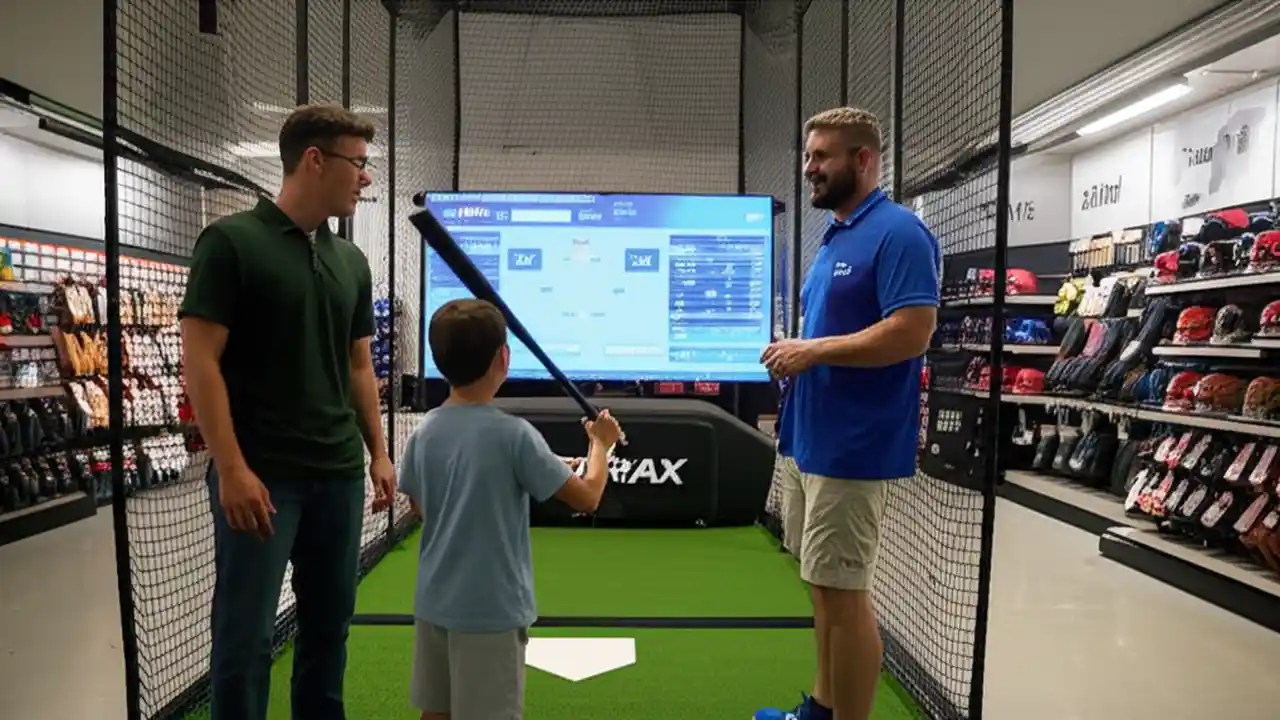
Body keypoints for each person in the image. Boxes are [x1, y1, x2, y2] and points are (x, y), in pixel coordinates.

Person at [179, 103, 398, 720]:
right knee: (245, 637)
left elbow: (359, 366)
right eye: (357, 164)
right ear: (313, 160)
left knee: (330, 628)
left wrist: (378, 453)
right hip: (261, 475)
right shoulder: (230, 244)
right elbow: (200, 363)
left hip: (336, 474)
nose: (365, 178)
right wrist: (233, 468)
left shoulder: (350, 262)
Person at [754, 107, 940, 720]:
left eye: (822, 157)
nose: (809, 169)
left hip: (853, 447)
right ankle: (822, 708)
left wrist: (812, 349)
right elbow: (833, 334)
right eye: (808, 156)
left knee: (846, 592)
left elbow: (912, 332)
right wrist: (797, 350)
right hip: (811, 441)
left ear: (863, 160)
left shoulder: (899, 232)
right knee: (824, 590)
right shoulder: (837, 233)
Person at [396, 298, 623, 720]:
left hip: (434, 603)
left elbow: (421, 505)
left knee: (437, 712)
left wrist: (530, 469)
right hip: (491, 611)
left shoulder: (424, 430)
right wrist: (600, 444)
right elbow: (589, 496)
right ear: (504, 357)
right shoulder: (515, 435)